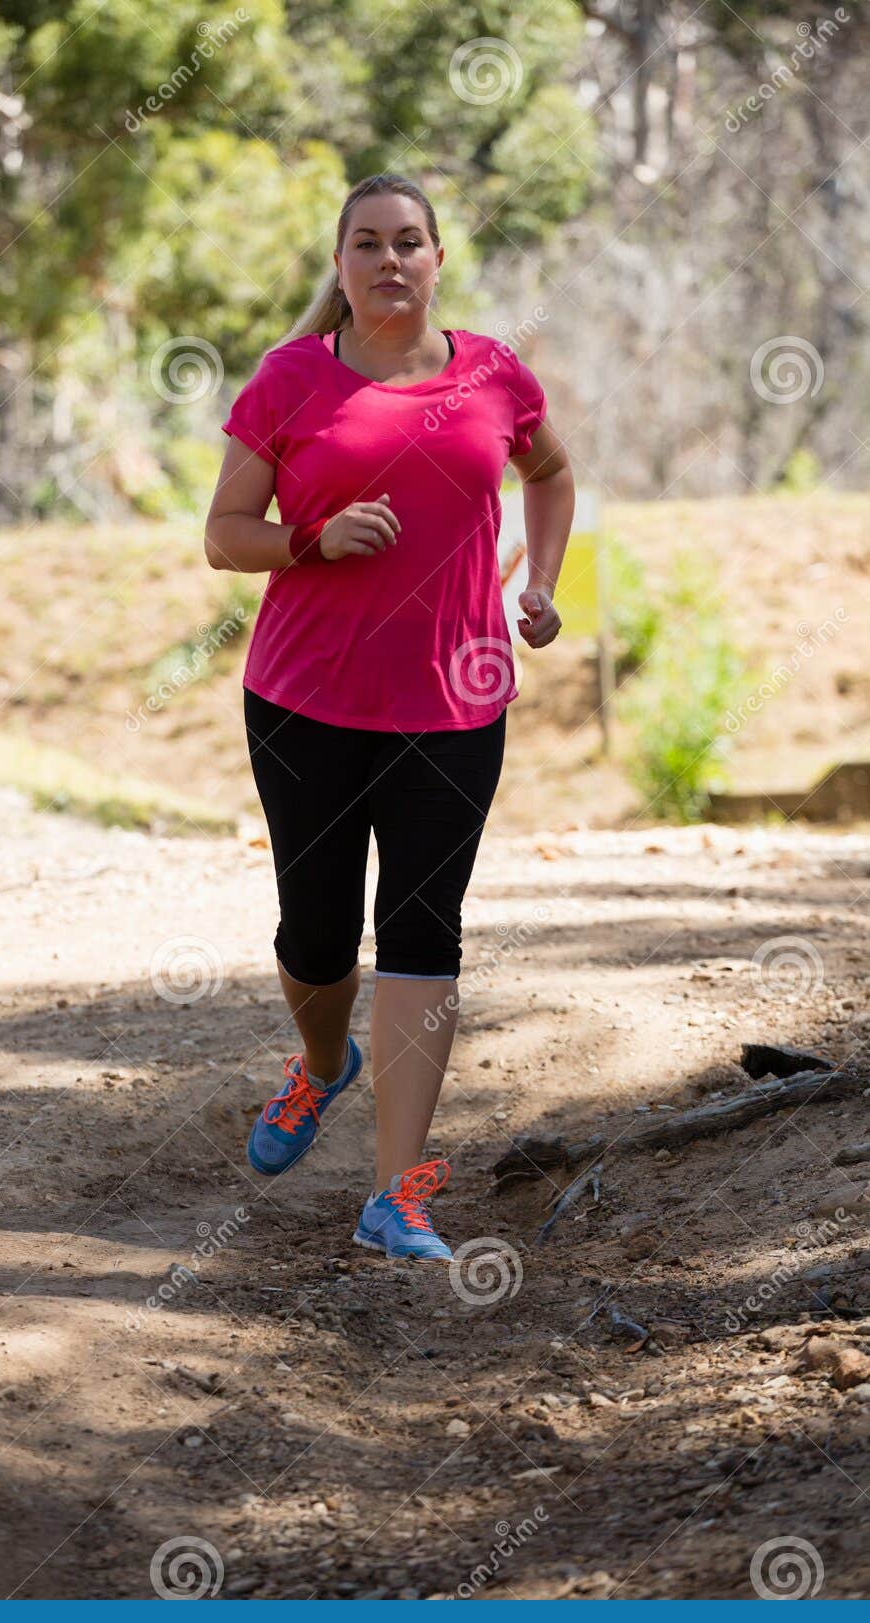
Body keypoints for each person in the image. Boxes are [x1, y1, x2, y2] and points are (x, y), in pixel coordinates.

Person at [205, 171, 573, 1261]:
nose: (389, 260)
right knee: (317, 941)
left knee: (422, 930)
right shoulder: (288, 380)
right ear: (339, 265)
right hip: (303, 701)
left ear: (438, 257)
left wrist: (540, 582)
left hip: (454, 703)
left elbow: (550, 475)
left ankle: (394, 1199)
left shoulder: (495, 375)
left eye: (408, 241)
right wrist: (312, 540)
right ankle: (322, 1067)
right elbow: (226, 533)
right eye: (366, 243)